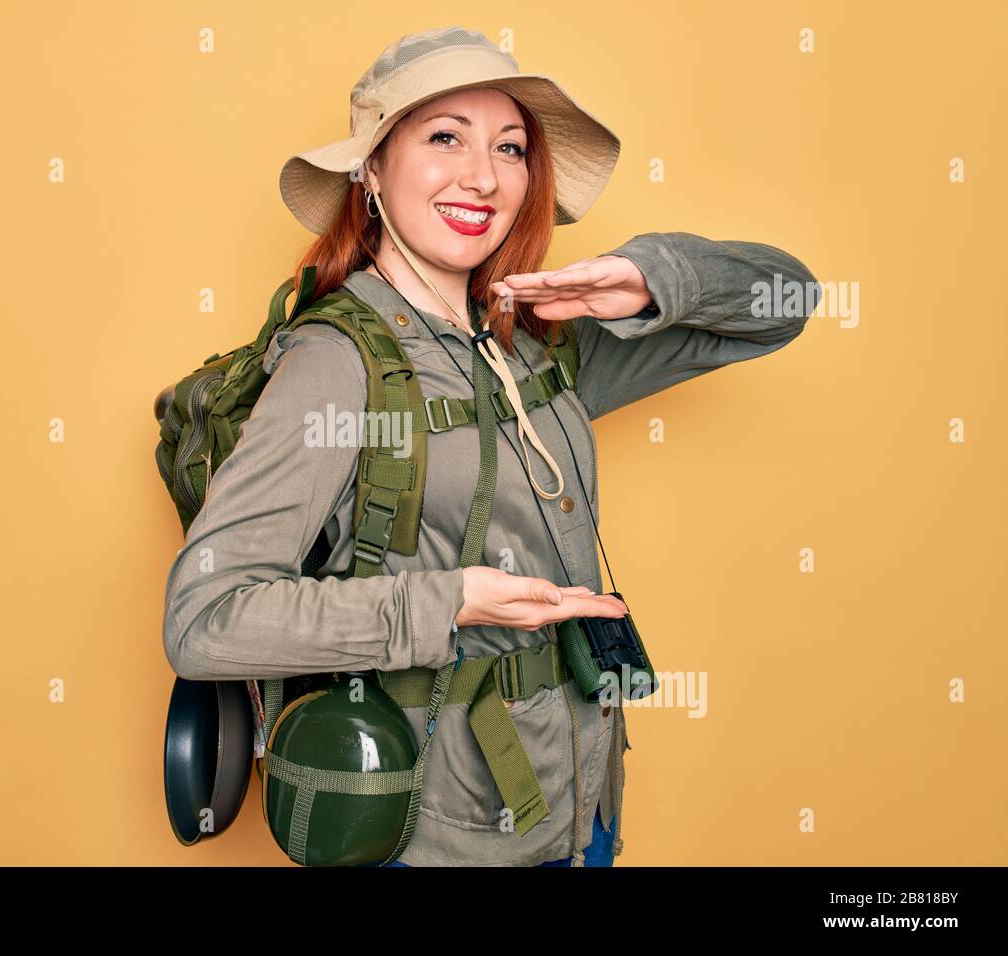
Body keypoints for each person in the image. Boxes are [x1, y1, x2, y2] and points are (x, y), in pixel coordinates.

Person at [163, 26, 817, 866]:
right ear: (371, 171)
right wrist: (448, 604)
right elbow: (205, 620)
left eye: (510, 148)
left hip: (580, 811)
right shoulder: (337, 363)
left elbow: (788, 299)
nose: (483, 176)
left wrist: (652, 277)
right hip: (438, 837)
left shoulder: (533, 344)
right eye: (444, 138)